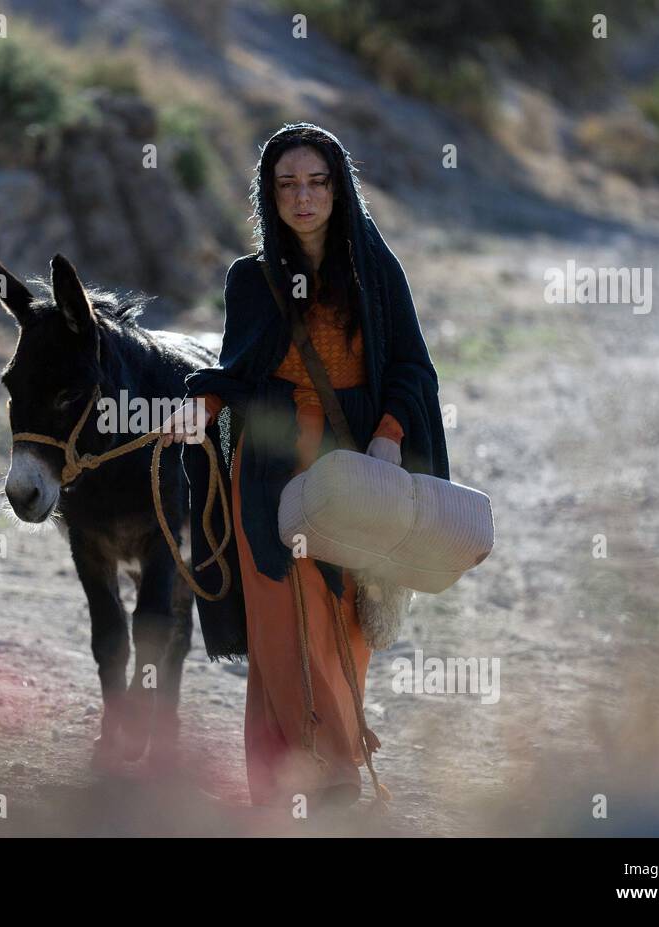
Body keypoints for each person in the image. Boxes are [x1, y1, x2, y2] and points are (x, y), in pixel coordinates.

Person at [160, 123, 449, 809]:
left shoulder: (375, 273)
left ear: (339, 187)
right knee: (280, 629)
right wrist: (202, 408)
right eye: (287, 184)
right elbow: (237, 371)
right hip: (265, 472)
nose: (303, 196)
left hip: (353, 468)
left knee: (340, 620)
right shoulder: (249, 280)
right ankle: (286, 780)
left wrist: (387, 435)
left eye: (317, 181)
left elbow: (412, 367)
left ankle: (335, 767)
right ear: (270, 194)